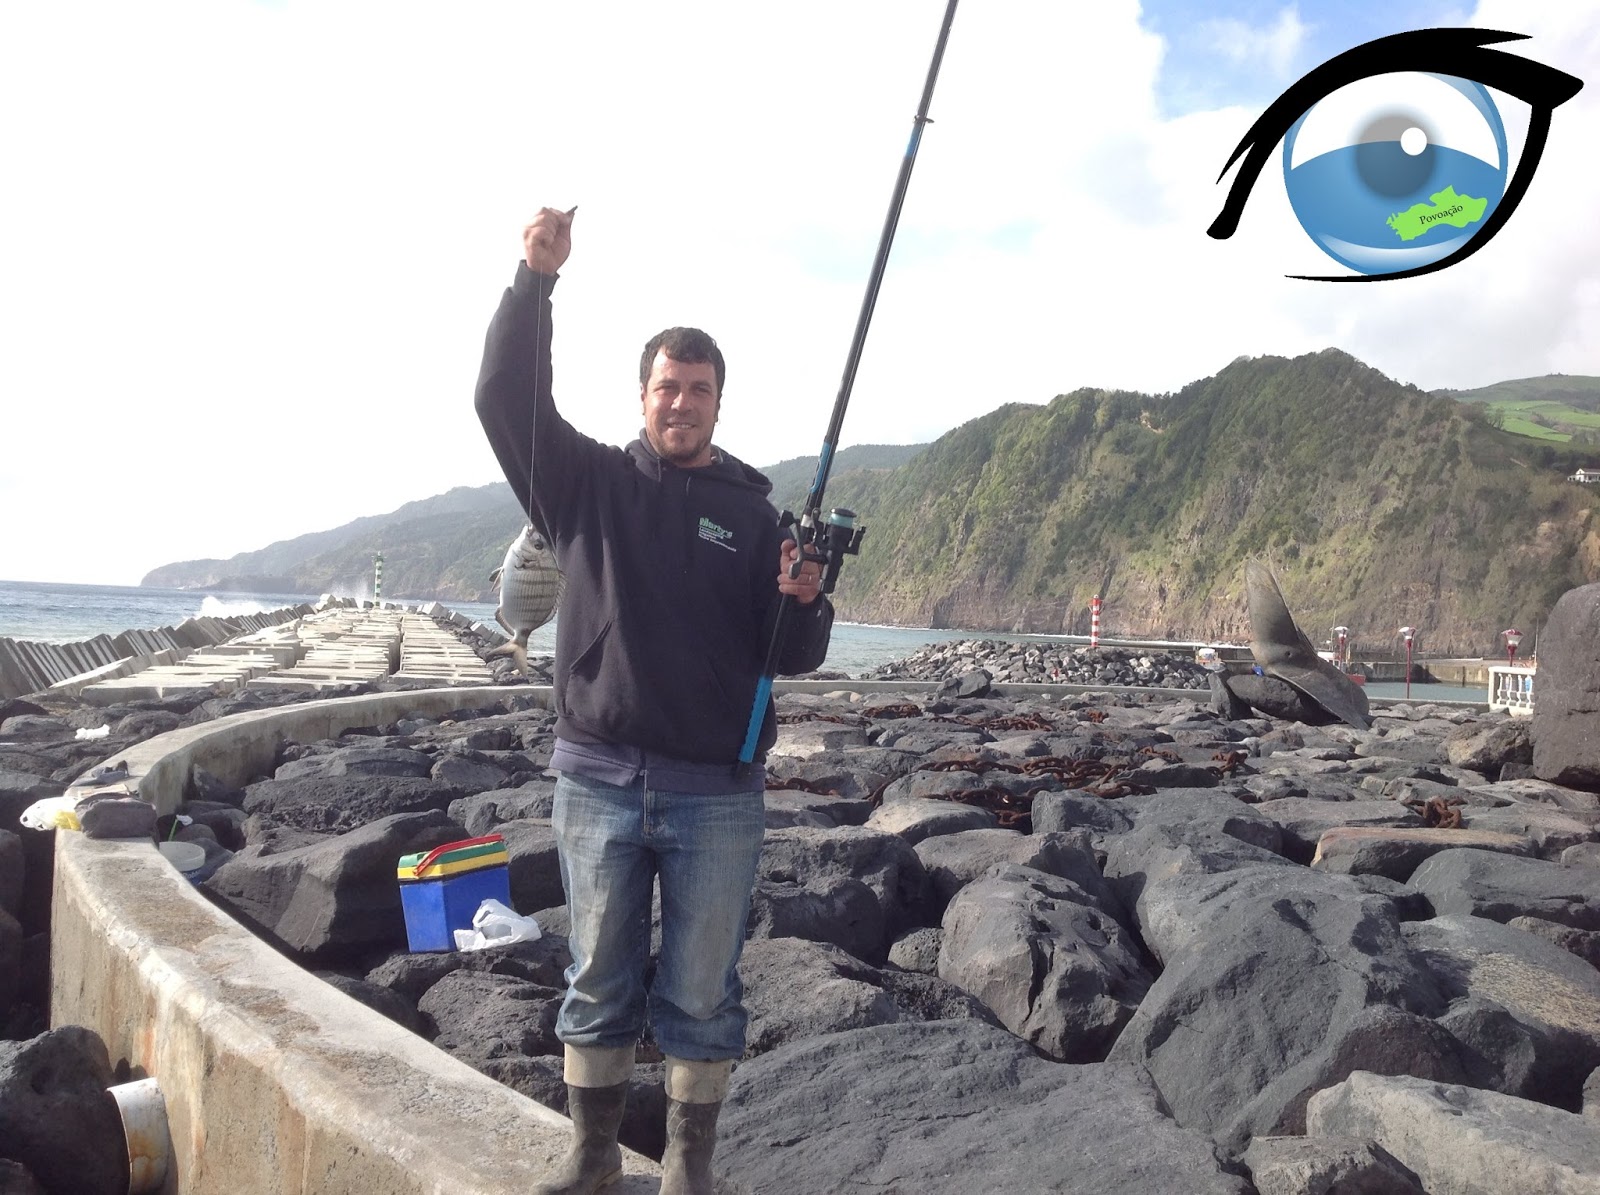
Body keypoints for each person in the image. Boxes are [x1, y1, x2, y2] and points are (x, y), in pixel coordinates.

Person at [474, 206, 834, 1195]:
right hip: (594, 779)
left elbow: (789, 653)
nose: (681, 402)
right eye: (667, 386)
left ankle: (688, 1170)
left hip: (716, 791)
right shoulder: (583, 485)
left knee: (703, 990)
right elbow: (504, 396)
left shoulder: (756, 519)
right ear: (642, 394)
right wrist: (533, 281)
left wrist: (805, 598)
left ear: (719, 403)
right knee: (595, 977)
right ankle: (589, 1161)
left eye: (698, 389)